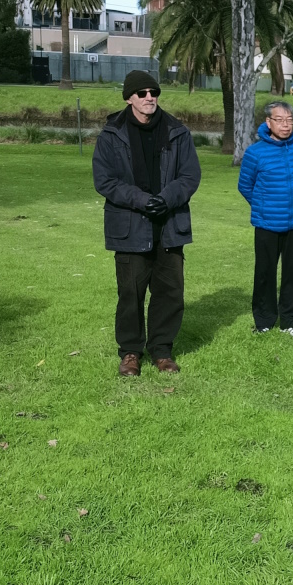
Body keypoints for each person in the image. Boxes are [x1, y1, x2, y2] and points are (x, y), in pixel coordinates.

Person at [92, 70, 201, 376]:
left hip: (169, 226)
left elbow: (190, 176)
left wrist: (166, 199)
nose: (149, 97)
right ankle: (130, 353)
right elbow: (105, 180)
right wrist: (141, 199)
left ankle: (162, 351)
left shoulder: (176, 131)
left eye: (154, 92)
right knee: (130, 293)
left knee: (170, 293)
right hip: (130, 225)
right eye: (142, 93)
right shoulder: (111, 133)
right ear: (129, 98)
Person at [237, 101, 293, 336]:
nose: (286, 124)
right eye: (280, 120)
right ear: (268, 122)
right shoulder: (255, 152)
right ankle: (264, 320)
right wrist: (264, 205)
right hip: (267, 223)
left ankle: (291, 321)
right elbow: (245, 186)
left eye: (290, 119)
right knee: (265, 273)